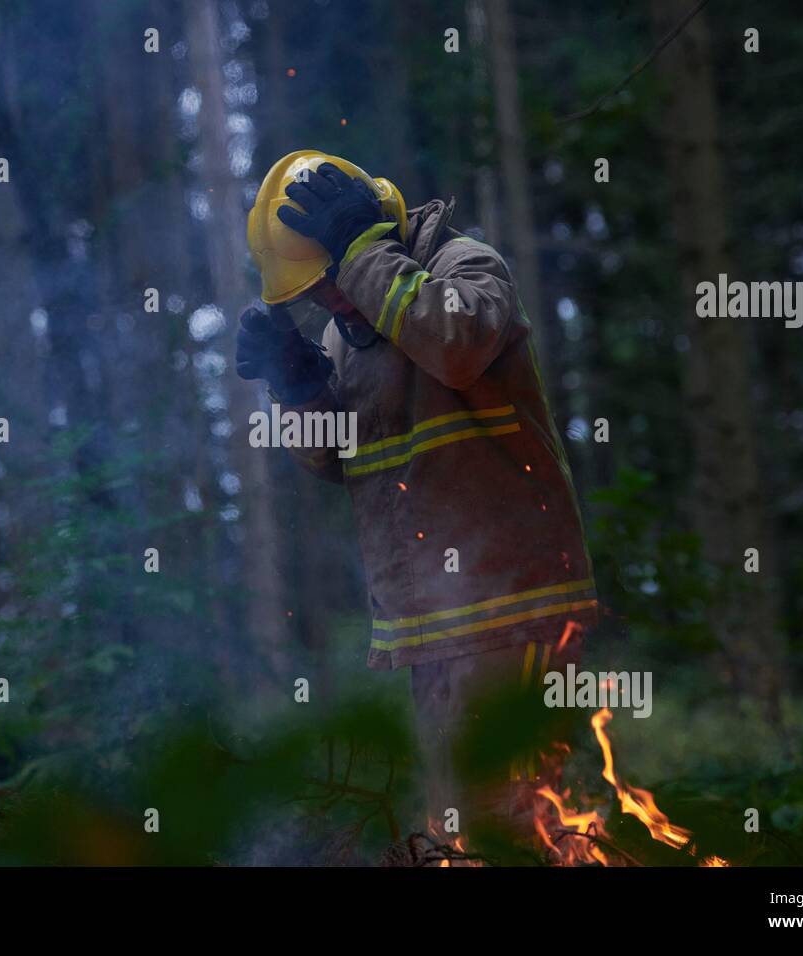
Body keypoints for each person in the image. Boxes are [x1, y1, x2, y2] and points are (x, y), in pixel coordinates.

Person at [237, 150, 598, 860]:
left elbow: (455, 345)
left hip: (512, 605)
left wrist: (364, 259)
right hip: (432, 625)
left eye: (333, 278)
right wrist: (301, 384)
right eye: (314, 296)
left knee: (499, 818)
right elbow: (332, 462)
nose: (332, 304)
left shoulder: (468, 268)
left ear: (372, 236)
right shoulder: (349, 333)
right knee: (464, 821)